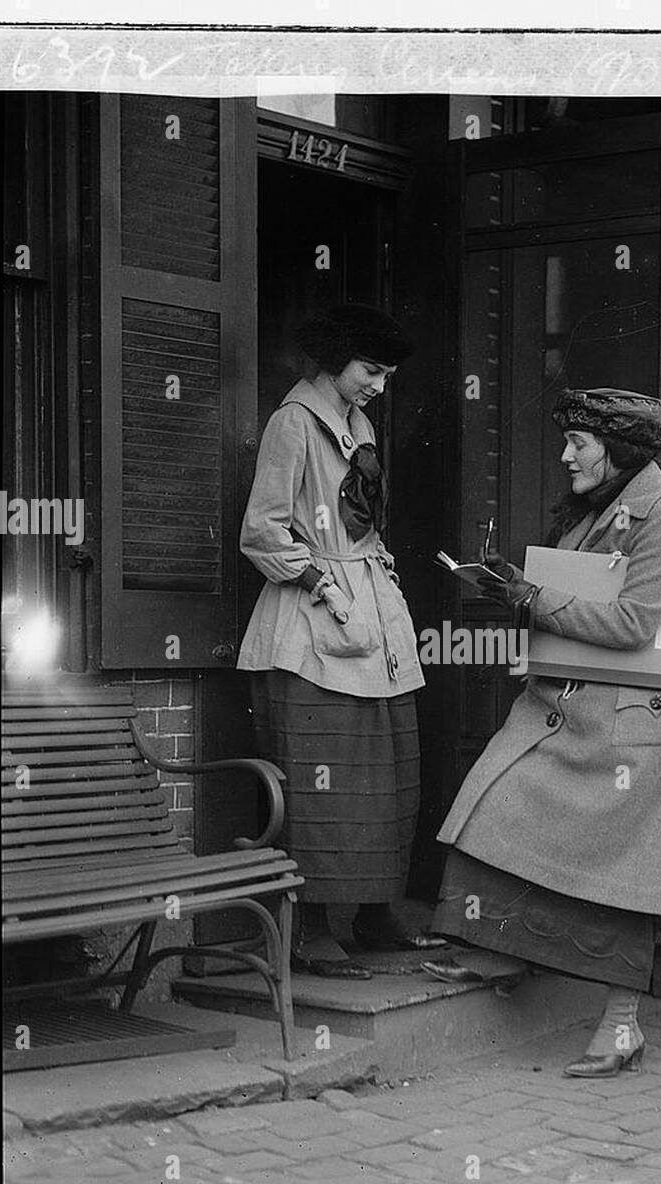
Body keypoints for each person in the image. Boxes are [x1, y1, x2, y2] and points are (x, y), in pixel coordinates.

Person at [423, 388, 661, 1077]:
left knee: (626, 878)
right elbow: (580, 601)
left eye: (579, 444)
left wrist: (529, 596)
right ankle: (495, 948)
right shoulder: (597, 509)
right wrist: (520, 598)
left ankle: (622, 1028)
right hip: (577, 706)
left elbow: (631, 624)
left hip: (636, 727)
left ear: (617, 451)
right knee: (498, 801)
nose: (566, 456)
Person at [237, 303, 444, 979]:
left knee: (388, 775)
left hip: (371, 612)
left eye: (385, 374)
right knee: (322, 784)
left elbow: (362, 525)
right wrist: (322, 585)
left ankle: (376, 914)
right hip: (310, 623)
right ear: (336, 362)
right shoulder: (291, 424)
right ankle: (313, 930)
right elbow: (263, 530)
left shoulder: (361, 423)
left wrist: (376, 578)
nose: (379, 384)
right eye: (370, 370)